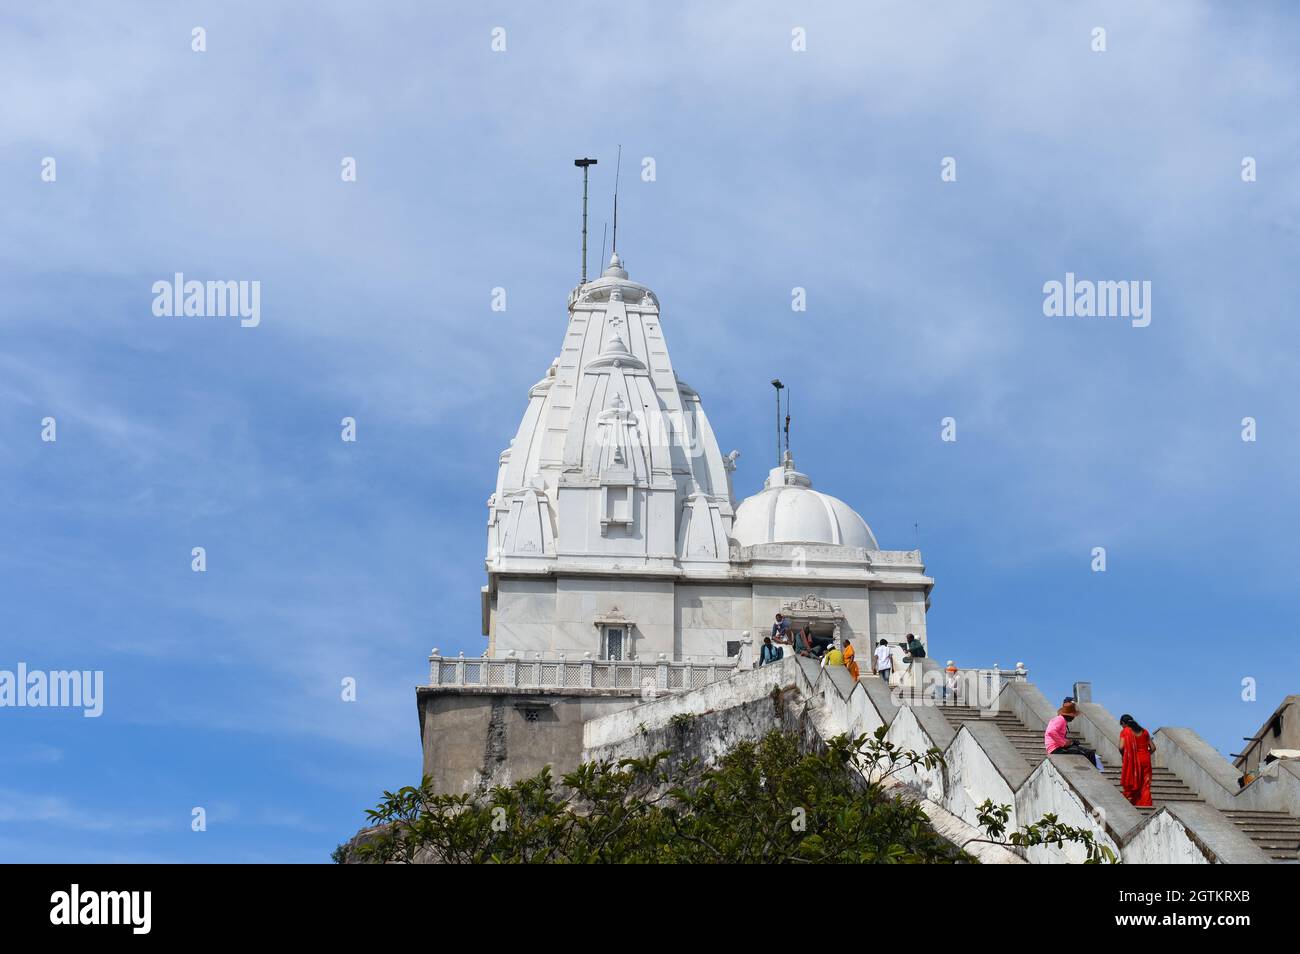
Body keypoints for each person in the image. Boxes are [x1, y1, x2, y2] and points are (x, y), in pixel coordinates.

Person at [1044, 701, 1099, 767]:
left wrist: (1070, 742)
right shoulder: (1060, 720)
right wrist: (1064, 743)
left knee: (1086, 751)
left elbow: (1058, 735)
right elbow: (1051, 732)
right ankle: (1093, 772)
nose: (1073, 718)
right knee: (1088, 753)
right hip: (1056, 749)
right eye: (1073, 716)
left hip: (1058, 747)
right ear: (1069, 715)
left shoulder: (1061, 720)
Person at [1119, 713, 1155, 807]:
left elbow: (1121, 747)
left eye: (1121, 725)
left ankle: (1133, 802)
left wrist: (1125, 755)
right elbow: (1153, 748)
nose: (1122, 727)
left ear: (1123, 723)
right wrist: (1146, 754)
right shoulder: (1145, 731)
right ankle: (1146, 804)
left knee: (1134, 782)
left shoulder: (1126, 731)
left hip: (1134, 761)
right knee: (1145, 784)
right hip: (1146, 759)